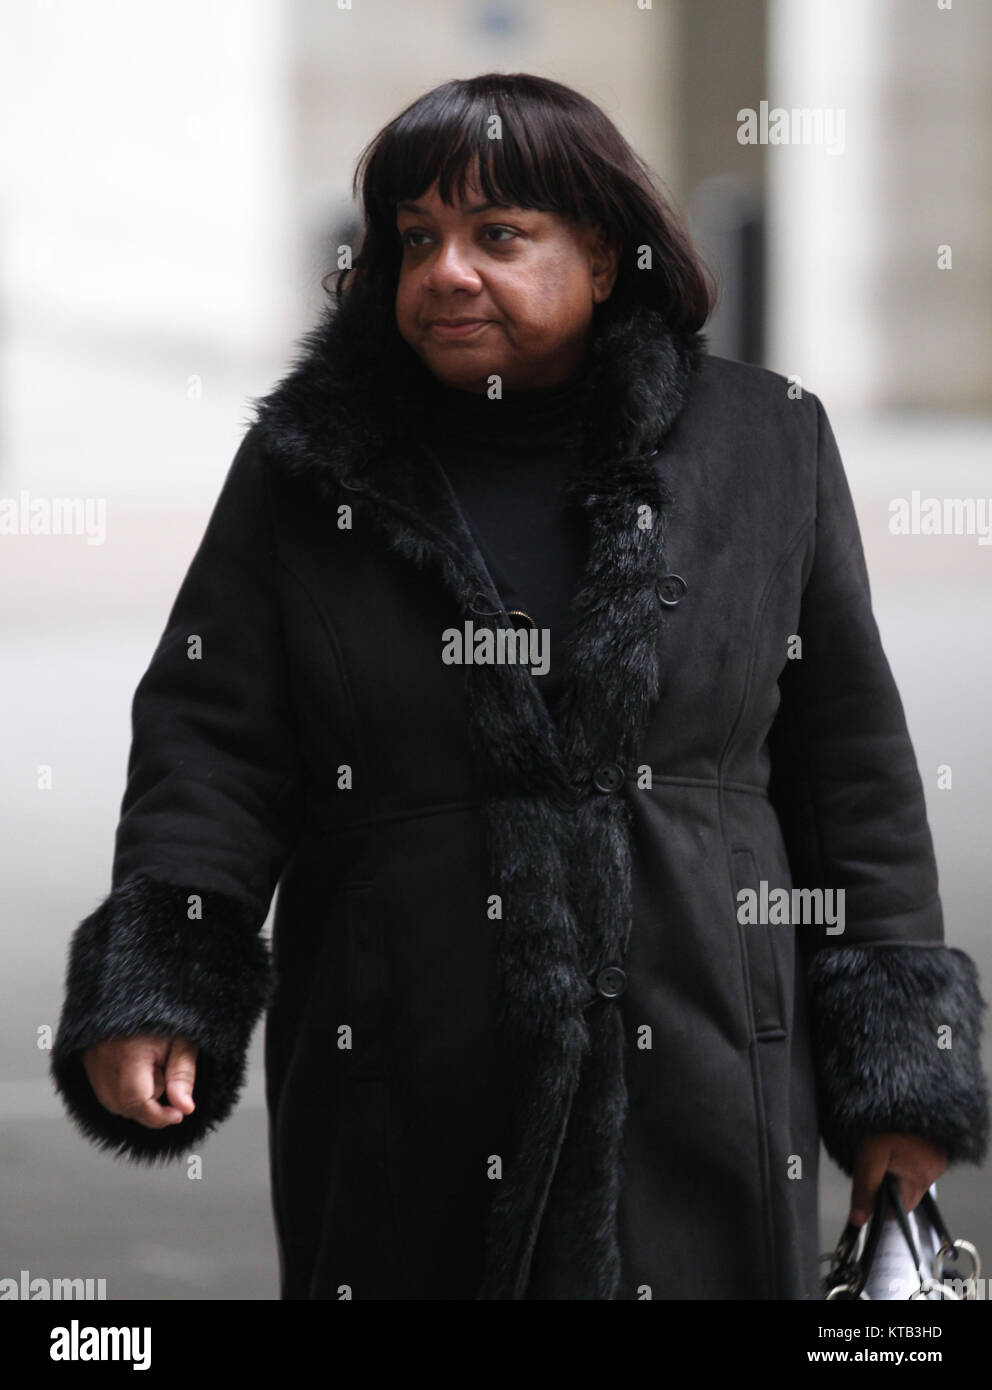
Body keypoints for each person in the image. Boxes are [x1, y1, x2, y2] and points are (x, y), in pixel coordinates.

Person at [50, 72, 989, 1301]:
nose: (446, 272)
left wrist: (896, 1075)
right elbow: (211, 741)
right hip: (396, 1072)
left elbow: (849, 774)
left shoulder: (765, 443)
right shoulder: (309, 469)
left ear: (600, 254)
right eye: (415, 239)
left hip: (702, 1072)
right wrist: (162, 982)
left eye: (497, 235)